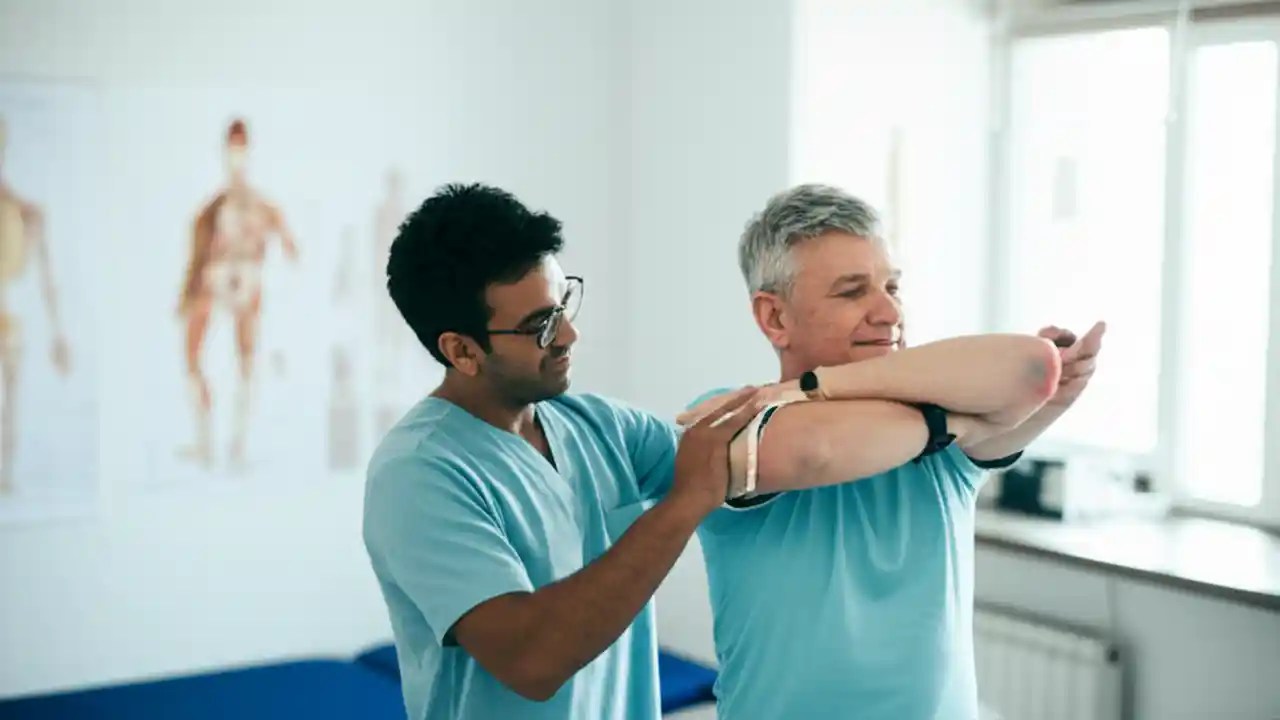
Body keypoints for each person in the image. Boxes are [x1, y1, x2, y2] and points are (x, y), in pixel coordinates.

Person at [678, 183, 1106, 720]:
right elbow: (819, 448)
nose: (888, 312)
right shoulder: (724, 420)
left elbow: (1030, 367)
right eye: (852, 291)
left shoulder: (946, 438)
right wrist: (962, 420)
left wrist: (812, 384)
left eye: (893, 286)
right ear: (775, 318)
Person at [362, 183, 764, 720]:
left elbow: (752, 459)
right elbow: (533, 659)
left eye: (564, 303)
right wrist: (684, 504)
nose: (569, 334)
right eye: (540, 326)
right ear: (462, 351)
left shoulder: (598, 426)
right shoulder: (418, 473)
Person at [176, 118, 299, 471]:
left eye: (240, 146)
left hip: (242, 278)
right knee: (196, 355)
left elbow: (292, 249)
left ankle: (236, 444)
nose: (236, 153)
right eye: (233, 146)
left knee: (245, 357)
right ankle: (208, 441)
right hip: (219, 276)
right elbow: (200, 250)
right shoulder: (213, 209)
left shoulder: (261, 207)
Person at [0, 115, 71, 494]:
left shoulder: (28, 213)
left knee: (12, 398)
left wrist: (58, 334)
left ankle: (6, 475)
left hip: (10, 317)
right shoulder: (27, 213)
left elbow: (47, 279)